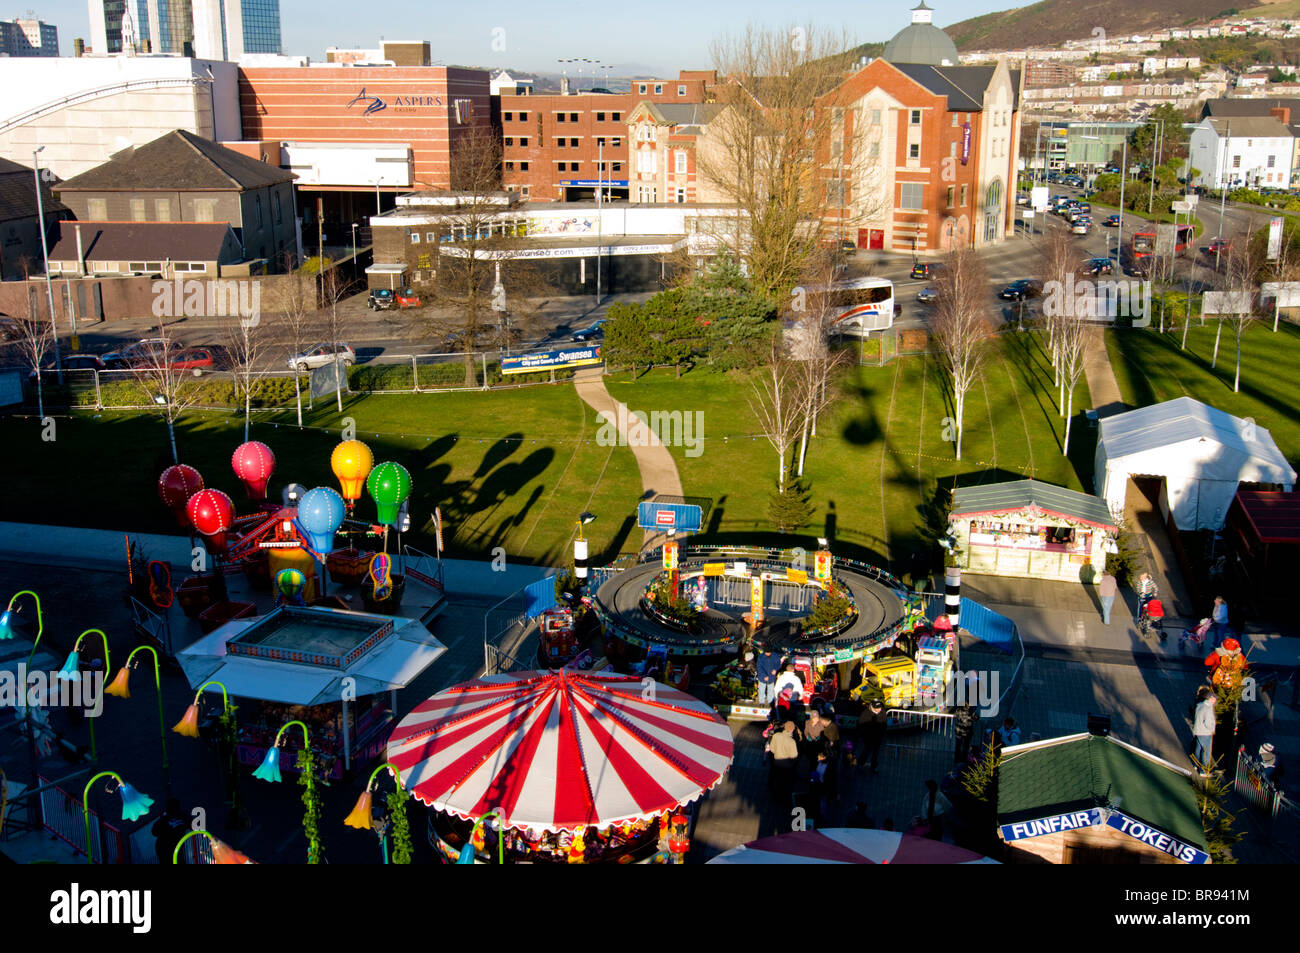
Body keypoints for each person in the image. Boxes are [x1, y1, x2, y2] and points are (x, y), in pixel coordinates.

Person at [766, 720, 800, 806]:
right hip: (787, 767)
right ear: (792, 730)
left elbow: (772, 749)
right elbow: (794, 756)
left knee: (777, 782)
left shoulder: (776, 736)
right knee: (786, 784)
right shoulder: (792, 741)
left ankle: (775, 798)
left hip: (777, 764)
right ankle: (784, 800)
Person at [152, 798, 188, 864]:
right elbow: (154, 832)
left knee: (179, 860)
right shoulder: (163, 820)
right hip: (164, 849)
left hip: (177, 847)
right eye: (172, 807)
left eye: (176, 807)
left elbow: (189, 827)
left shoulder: (182, 818)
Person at [860, 699, 888, 774]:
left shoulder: (882, 712)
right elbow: (862, 726)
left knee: (875, 753)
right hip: (869, 737)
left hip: (878, 737)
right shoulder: (866, 713)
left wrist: (882, 733)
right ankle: (861, 763)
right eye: (876, 708)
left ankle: (874, 766)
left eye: (879, 707)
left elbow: (884, 723)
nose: (878, 709)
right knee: (867, 751)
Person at [1193, 692, 1217, 773]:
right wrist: (1212, 729)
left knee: (1198, 749)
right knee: (1206, 752)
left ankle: (1195, 764)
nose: (1215, 700)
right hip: (1205, 733)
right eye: (1214, 699)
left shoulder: (1200, 705)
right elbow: (1207, 722)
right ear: (1210, 698)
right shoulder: (1208, 708)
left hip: (1198, 731)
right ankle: (1203, 771)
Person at [953, 700, 978, 764]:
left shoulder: (959, 710)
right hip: (967, 732)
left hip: (959, 732)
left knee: (958, 746)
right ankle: (963, 759)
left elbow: (955, 714)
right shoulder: (970, 712)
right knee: (965, 747)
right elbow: (976, 718)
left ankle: (956, 760)